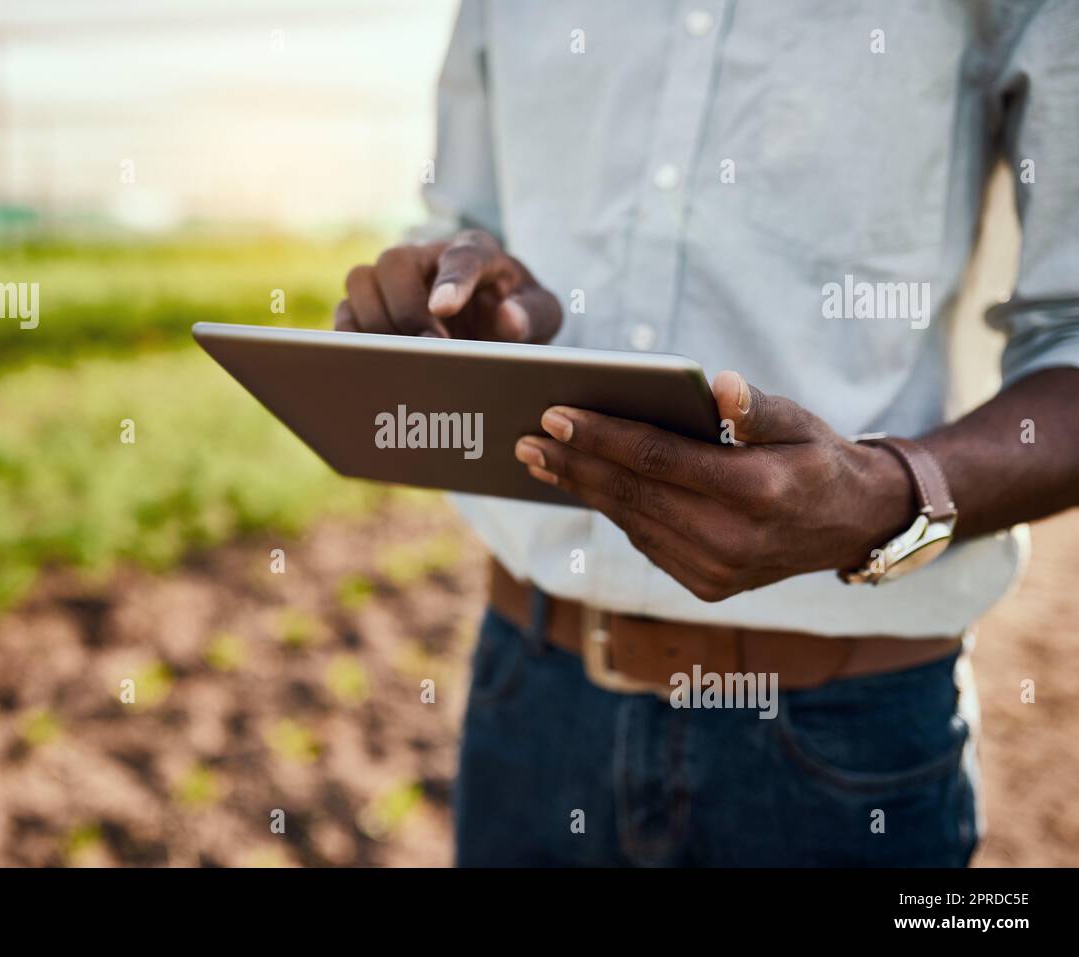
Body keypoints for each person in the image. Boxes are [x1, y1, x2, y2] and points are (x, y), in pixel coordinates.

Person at [334, 1, 1079, 866]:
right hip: (527, 696)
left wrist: (884, 494)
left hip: (846, 738)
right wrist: (467, 306)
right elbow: (466, 219)